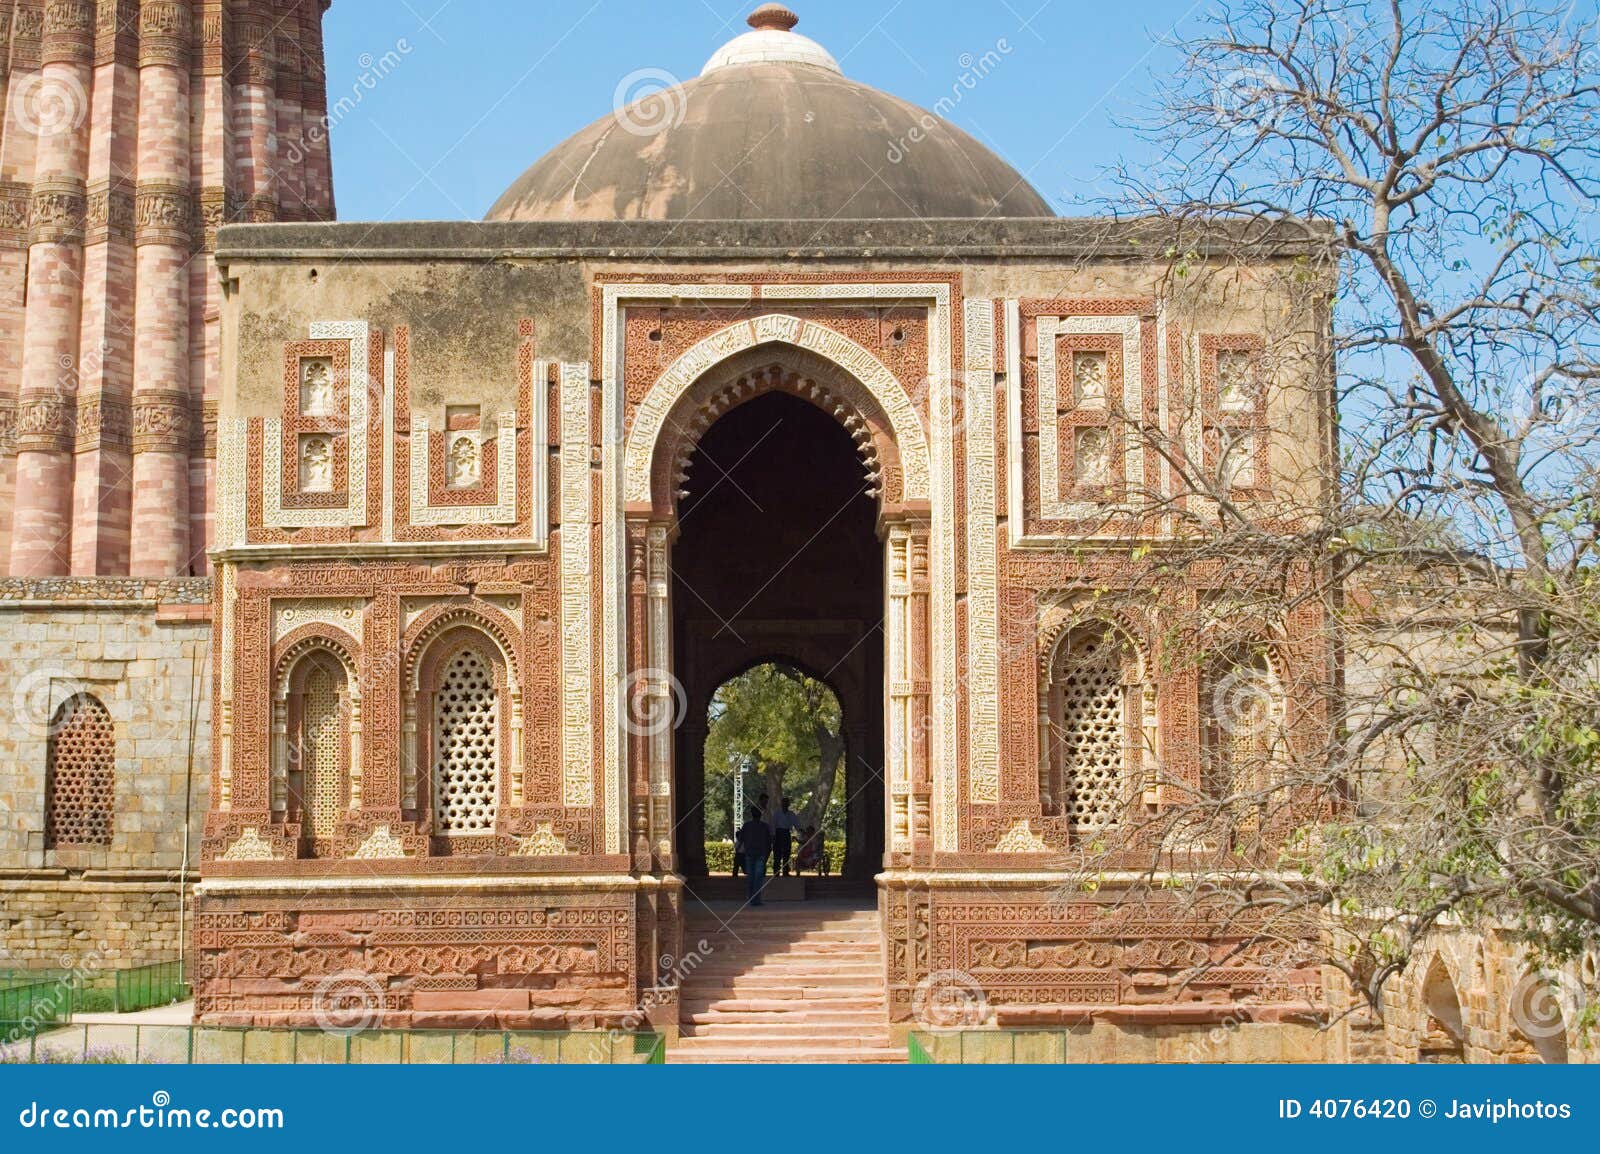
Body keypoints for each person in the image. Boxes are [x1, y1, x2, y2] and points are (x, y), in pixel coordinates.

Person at [736, 806, 773, 906]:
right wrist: (767, 853)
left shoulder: (747, 825)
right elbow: (769, 842)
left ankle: (751, 896)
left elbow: (740, 840)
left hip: (749, 854)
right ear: (760, 815)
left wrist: (737, 850)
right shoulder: (765, 826)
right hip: (760, 854)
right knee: (758, 877)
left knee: (751, 876)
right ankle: (756, 899)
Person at [772, 798, 801, 877]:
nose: (785, 804)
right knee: (777, 853)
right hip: (778, 833)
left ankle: (785, 871)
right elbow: (773, 824)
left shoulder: (791, 814)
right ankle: (776, 871)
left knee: (786, 853)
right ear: (781, 804)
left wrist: (801, 830)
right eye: (783, 803)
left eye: (786, 803)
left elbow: (797, 824)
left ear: (788, 804)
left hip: (786, 833)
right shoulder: (777, 813)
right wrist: (774, 835)